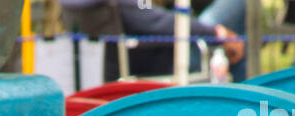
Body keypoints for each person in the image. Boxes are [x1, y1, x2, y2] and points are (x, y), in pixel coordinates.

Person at [59, 0, 247, 81]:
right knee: (235, 7)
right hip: (169, 60)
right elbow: (157, 22)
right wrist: (216, 33)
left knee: (230, 40)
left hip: (118, 64)